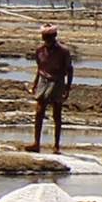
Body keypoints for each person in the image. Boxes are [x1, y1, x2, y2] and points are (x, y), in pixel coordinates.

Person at [25, 24, 73, 154]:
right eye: (44, 37)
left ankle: (56, 146)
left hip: (57, 82)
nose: (46, 40)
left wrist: (67, 88)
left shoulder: (63, 51)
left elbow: (69, 70)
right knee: (39, 111)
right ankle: (36, 143)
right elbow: (40, 68)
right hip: (43, 80)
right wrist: (35, 84)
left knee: (56, 114)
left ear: (54, 36)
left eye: (48, 37)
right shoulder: (40, 50)